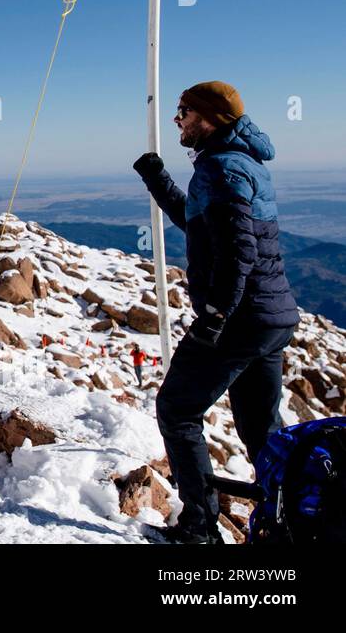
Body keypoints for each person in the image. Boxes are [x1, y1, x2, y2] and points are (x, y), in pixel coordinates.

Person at [133, 80, 298, 544]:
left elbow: (238, 248)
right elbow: (201, 225)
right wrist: (157, 179)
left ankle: (199, 529)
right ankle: (286, 523)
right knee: (261, 429)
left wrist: (215, 315)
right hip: (271, 318)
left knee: (177, 410)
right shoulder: (240, 162)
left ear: (208, 117)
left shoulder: (220, 167)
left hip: (241, 320)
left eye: (183, 111)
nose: (176, 119)